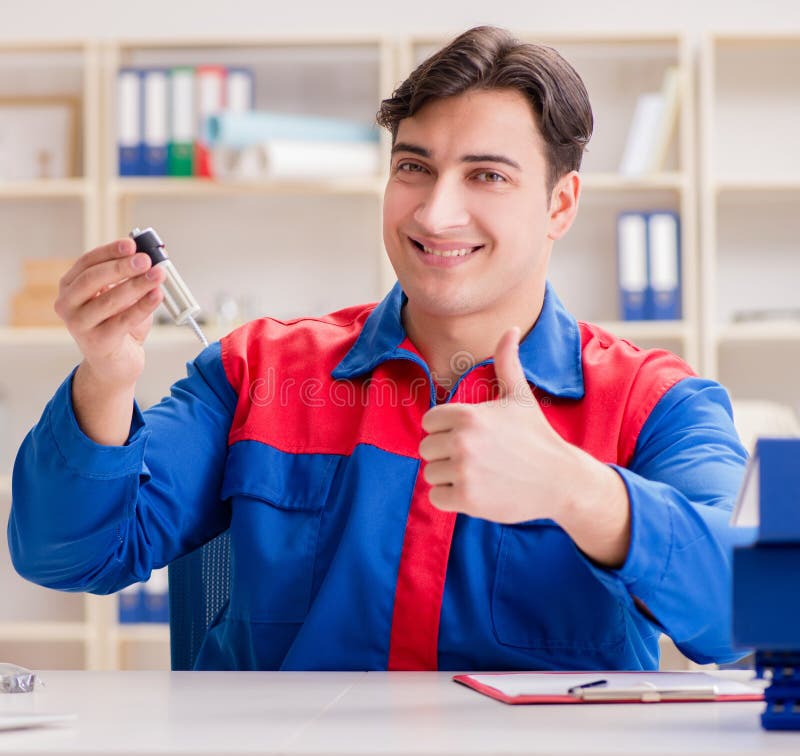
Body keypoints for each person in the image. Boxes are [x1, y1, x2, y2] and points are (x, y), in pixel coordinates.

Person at [9, 26, 749, 671]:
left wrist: (578, 490)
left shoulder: (654, 402)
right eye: (413, 167)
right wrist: (105, 378)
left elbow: (750, 611)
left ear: (560, 204)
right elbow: (67, 554)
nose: (436, 210)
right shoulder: (255, 371)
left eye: (486, 175)